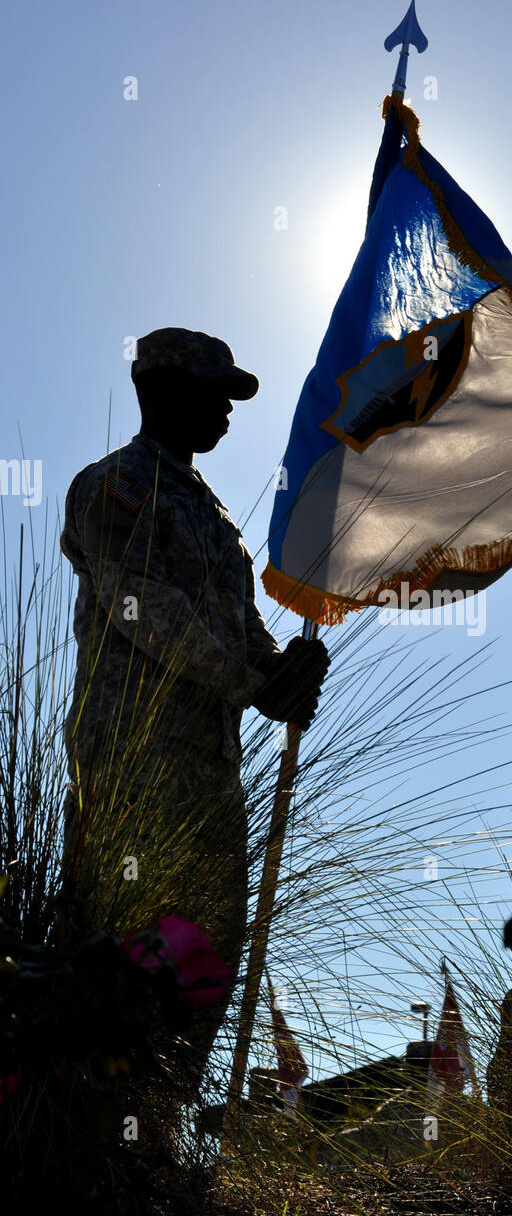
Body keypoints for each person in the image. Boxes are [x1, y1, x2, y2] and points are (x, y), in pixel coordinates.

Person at [57, 327, 330, 1093]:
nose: (227, 413)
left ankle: (164, 1133)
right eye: (216, 394)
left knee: (205, 948)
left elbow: (241, 629)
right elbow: (144, 606)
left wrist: (286, 667)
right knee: (125, 944)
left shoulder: (215, 520)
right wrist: (254, 684)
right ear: (164, 389)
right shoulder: (113, 487)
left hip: (213, 771)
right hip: (135, 763)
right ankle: (95, 1132)